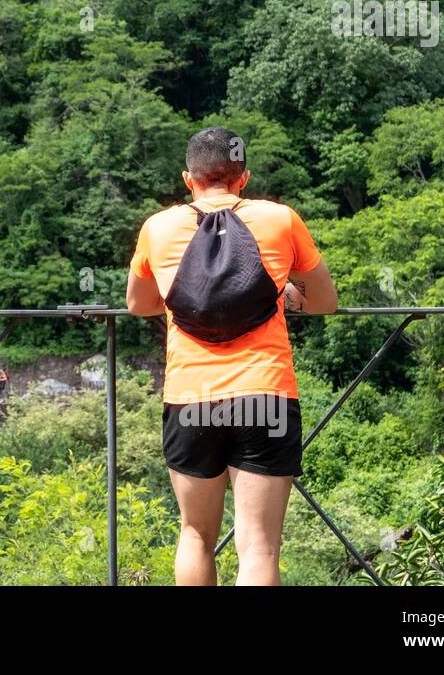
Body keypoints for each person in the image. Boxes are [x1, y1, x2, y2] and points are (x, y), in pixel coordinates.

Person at [126, 127, 337, 587]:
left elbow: (139, 305)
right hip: (266, 394)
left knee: (196, 536)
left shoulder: (157, 228)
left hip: (191, 398)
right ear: (244, 178)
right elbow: (325, 301)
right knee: (258, 545)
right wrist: (287, 294)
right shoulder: (280, 219)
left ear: (189, 178)